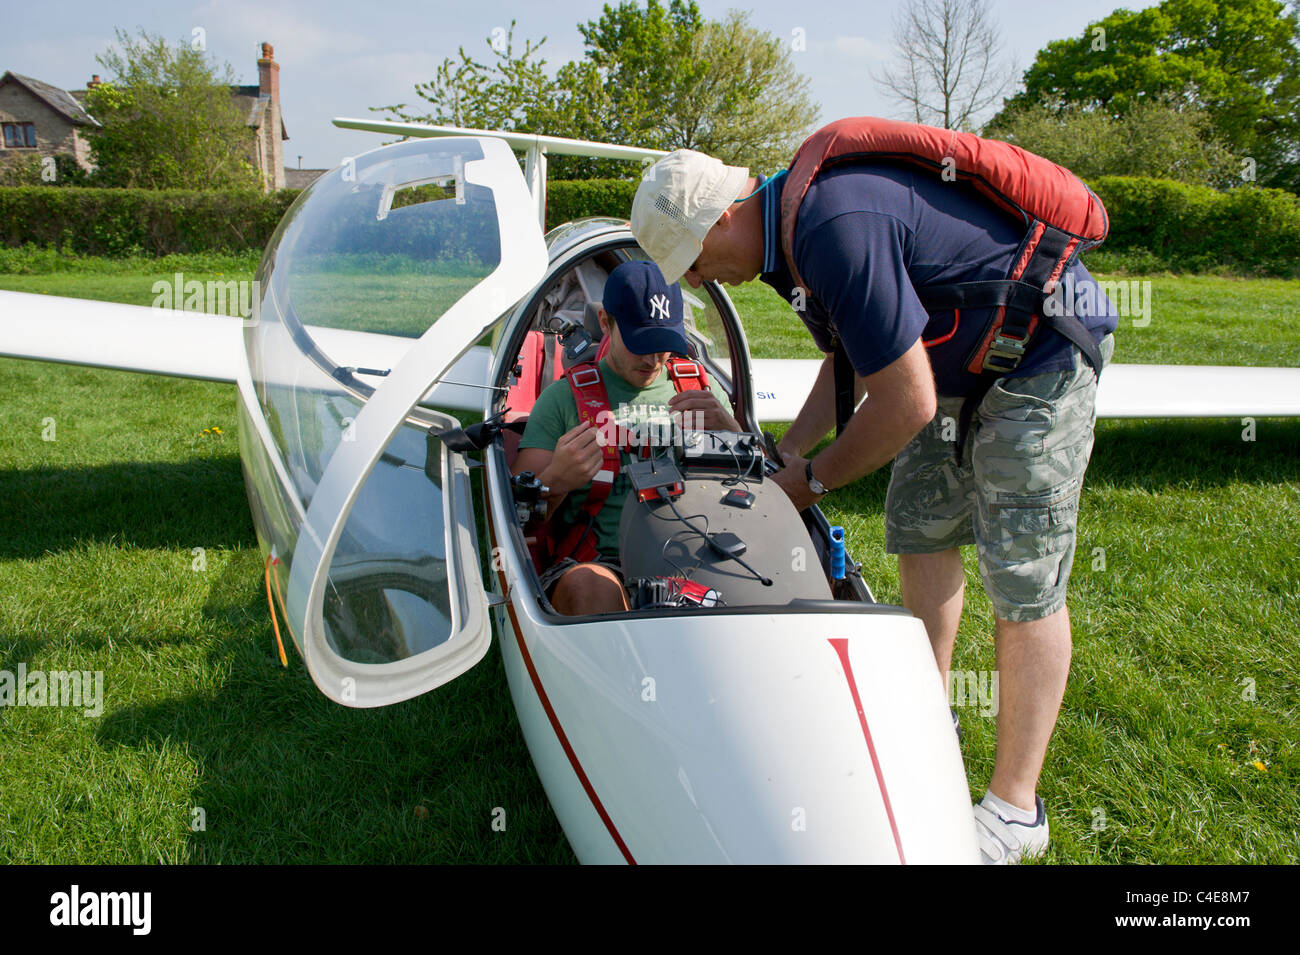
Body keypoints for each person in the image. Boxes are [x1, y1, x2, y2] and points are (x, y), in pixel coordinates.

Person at [630, 136, 1118, 864]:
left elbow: (907, 404)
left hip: (1039, 352)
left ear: (726, 213)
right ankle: (930, 721)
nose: (699, 280)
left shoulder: (828, 227)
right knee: (921, 530)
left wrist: (810, 481)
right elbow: (853, 355)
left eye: (694, 261)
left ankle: (1017, 808)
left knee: (1022, 576)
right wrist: (788, 453)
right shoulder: (782, 241)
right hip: (952, 357)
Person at [513, 259, 740, 616]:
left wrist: (734, 437)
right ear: (606, 322)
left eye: (664, 343)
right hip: (603, 564)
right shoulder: (563, 400)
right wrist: (556, 479)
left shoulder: (703, 393)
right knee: (588, 587)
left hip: (697, 556)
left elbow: (753, 497)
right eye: (641, 342)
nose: (653, 359)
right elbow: (517, 518)